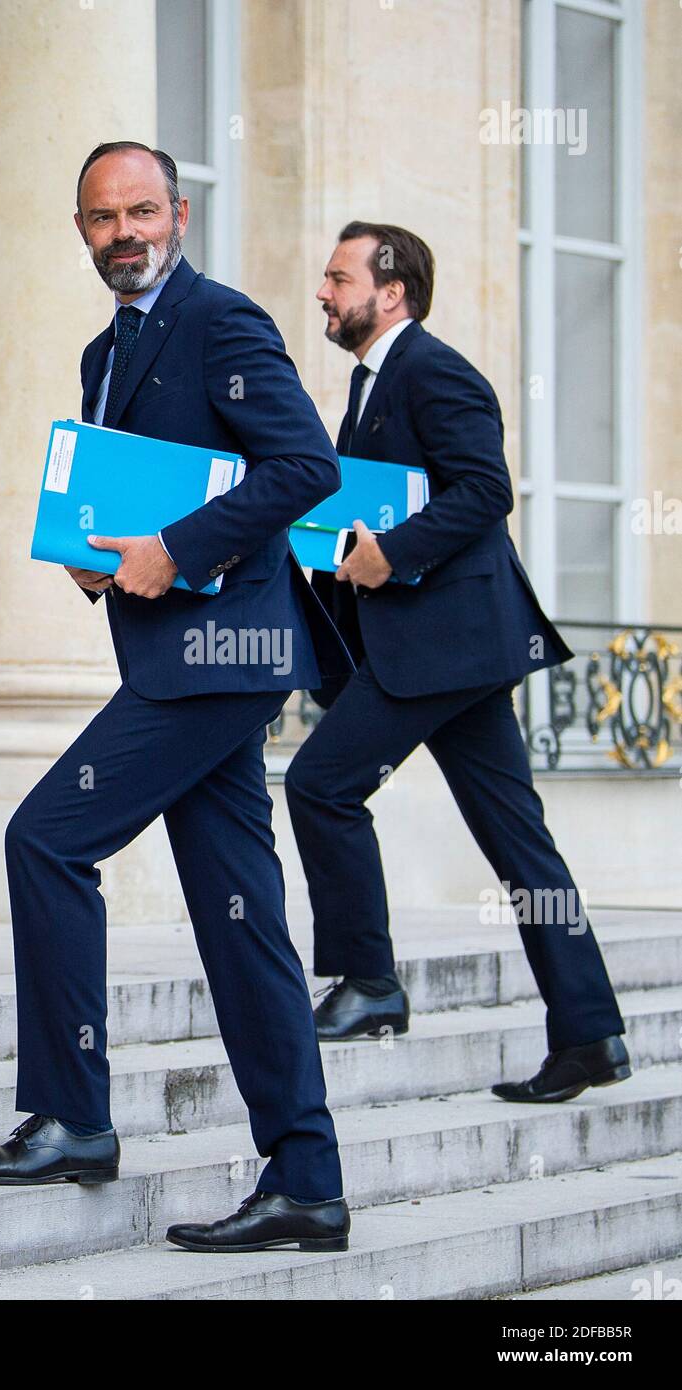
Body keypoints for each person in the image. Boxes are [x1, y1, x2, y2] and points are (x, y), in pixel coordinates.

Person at [0, 143, 354, 1254]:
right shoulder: (103, 349)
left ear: (179, 212)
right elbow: (130, 488)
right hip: (178, 659)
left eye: (140, 211)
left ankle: (76, 1115)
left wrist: (173, 550)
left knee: (46, 836)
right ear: (81, 229)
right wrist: (94, 557)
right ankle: (306, 1178)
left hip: (222, 656)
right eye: (100, 218)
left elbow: (306, 467)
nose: (123, 232)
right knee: (243, 923)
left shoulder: (222, 321)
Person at [285, 221, 630, 1104]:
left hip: (441, 642)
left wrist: (389, 555)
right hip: (452, 648)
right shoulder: (368, 387)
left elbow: (484, 490)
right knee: (519, 841)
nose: (322, 293)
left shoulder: (432, 369)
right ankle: (589, 1034)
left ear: (389, 291)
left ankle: (368, 982)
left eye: (336, 277)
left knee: (321, 784)